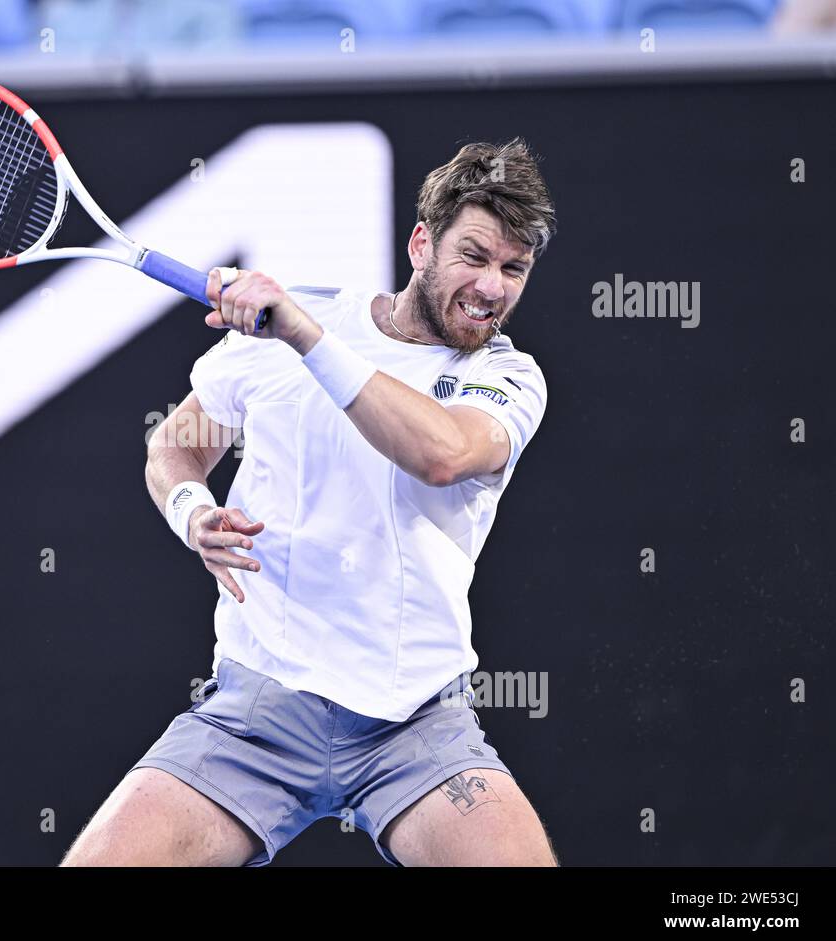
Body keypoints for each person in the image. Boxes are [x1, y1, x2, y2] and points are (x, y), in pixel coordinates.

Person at [63, 138, 559, 867]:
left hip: (415, 728)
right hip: (254, 717)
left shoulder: (508, 377)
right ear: (422, 244)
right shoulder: (285, 332)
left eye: (514, 269)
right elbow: (177, 444)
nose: (492, 287)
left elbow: (443, 456)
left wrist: (301, 333)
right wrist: (192, 511)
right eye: (474, 256)